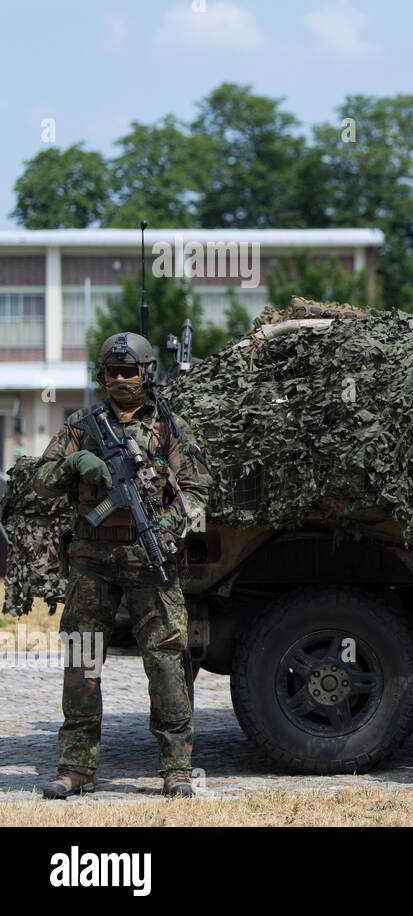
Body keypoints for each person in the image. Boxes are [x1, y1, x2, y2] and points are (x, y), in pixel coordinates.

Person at [34, 332, 211, 798]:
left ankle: (176, 767)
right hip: (92, 558)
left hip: (148, 554)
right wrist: (77, 465)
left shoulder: (169, 426)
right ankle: (75, 767)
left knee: (166, 659)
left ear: (147, 372)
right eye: (112, 371)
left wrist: (166, 529)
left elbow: (197, 491)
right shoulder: (81, 425)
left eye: (128, 370)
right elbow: (42, 479)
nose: (120, 379)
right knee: (83, 657)